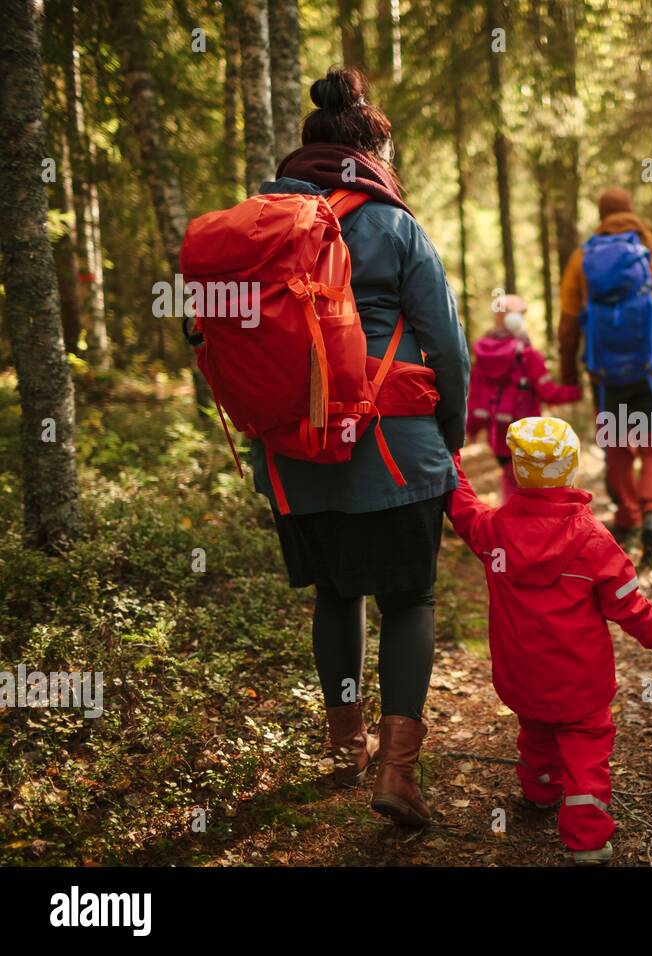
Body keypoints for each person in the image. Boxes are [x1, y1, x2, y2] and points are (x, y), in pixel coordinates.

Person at [252, 67, 469, 826]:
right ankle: (396, 775)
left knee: (336, 594)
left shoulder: (260, 218)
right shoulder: (395, 225)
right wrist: (448, 443)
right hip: (394, 448)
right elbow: (448, 347)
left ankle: (342, 748)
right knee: (408, 599)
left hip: (293, 449)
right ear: (372, 150)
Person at [444, 417, 652, 865]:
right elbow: (627, 602)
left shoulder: (495, 531)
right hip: (580, 682)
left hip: (521, 674)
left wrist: (451, 459)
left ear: (516, 471)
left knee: (535, 728)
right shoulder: (594, 541)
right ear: (570, 470)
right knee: (585, 750)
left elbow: (462, 508)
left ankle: (538, 791)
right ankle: (587, 839)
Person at [558, 187, 652, 566]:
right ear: (632, 213)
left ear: (601, 217)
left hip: (605, 375)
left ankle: (628, 514)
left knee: (616, 443)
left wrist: (569, 376)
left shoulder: (582, 258)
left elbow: (568, 324)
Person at [466, 294, 579, 499]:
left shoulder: (483, 355)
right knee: (527, 490)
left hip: (498, 437)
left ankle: (511, 522)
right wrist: (576, 391)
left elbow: (476, 396)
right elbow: (549, 394)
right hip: (528, 436)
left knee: (510, 480)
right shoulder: (528, 355)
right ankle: (519, 526)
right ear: (515, 321)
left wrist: (471, 429)